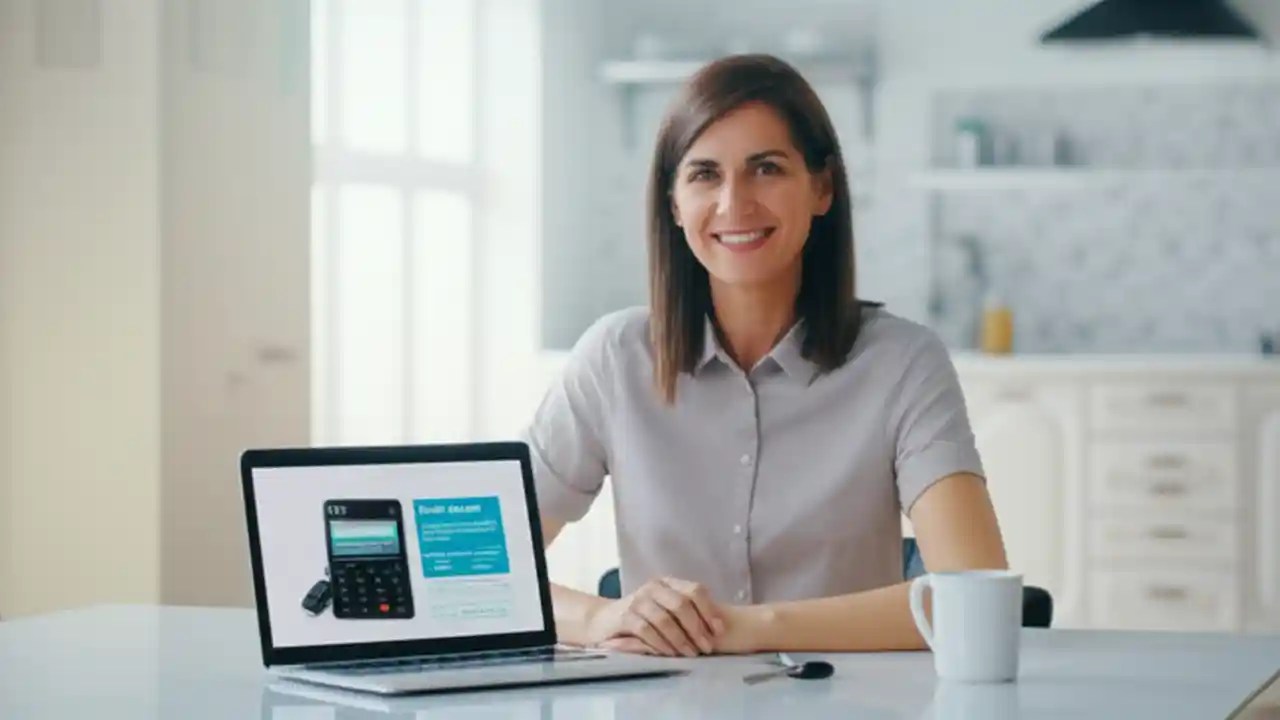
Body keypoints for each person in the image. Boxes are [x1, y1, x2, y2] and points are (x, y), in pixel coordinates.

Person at [522, 54, 1007, 656]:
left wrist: (746, 628)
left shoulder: (903, 363)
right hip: (665, 699)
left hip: (850, 699)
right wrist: (600, 618)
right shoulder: (613, 359)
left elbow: (975, 597)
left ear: (822, 187)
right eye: (704, 174)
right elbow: (475, 575)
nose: (734, 203)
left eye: (766, 169)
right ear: (674, 204)